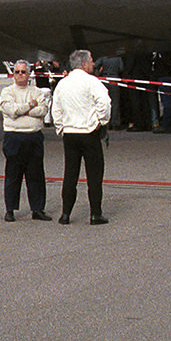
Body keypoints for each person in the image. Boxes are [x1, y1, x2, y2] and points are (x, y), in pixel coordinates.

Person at [51, 49, 111, 225]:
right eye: (91, 61)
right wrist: (101, 120)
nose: (93, 64)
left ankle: (65, 213)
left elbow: (56, 108)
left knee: (70, 174)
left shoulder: (63, 83)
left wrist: (61, 126)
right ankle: (95, 214)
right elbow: (105, 102)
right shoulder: (91, 82)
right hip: (88, 132)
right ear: (84, 64)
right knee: (94, 175)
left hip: (70, 133)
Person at [0, 61, 51, 221]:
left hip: (33, 136)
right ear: (13, 74)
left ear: (29, 74)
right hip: (14, 137)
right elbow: (11, 111)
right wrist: (29, 106)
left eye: (23, 72)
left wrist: (23, 110)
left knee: (36, 175)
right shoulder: (7, 92)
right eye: (17, 72)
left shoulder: (37, 91)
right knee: (13, 175)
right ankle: (10, 210)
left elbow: (43, 110)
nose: (20, 74)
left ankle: (38, 209)